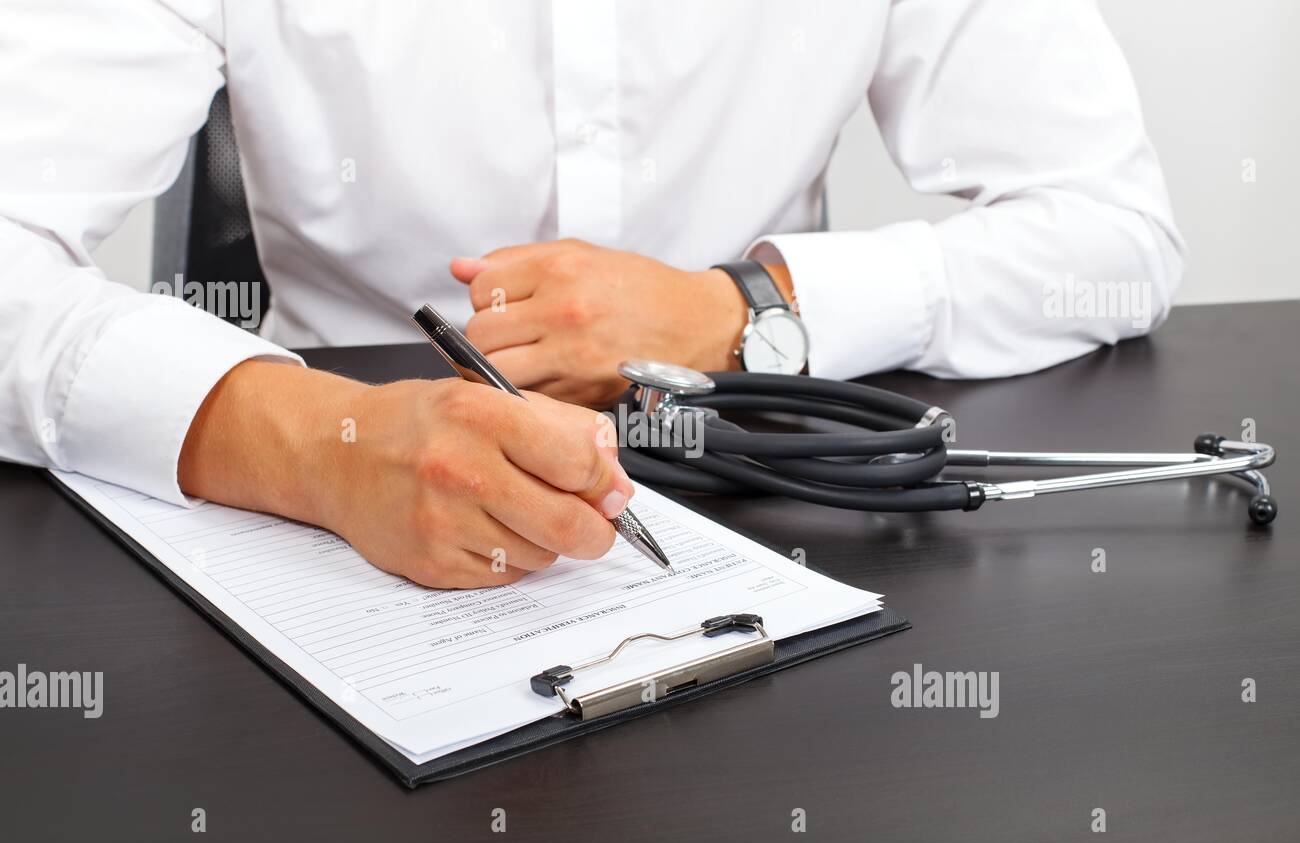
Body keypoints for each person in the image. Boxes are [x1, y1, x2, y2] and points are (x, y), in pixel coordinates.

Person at [0, 0, 1184, 588]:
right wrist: (308, 439)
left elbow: (1111, 228)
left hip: (778, 503)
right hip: (335, 529)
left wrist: (742, 306)